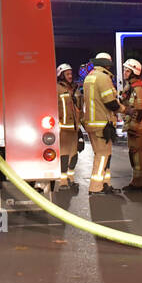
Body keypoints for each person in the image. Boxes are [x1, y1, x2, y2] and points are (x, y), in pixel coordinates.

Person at [82, 52, 121, 194]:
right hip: (102, 124)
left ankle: (106, 183)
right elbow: (110, 102)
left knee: (105, 153)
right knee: (103, 155)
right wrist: (124, 109)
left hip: (92, 123)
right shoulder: (103, 78)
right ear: (107, 64)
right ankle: (96, 187)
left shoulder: (89, 77)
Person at [121, 58, 142, 190]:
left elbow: (139, 110)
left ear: (134, 72)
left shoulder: (137, 88)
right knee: (134, 154)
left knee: (137, 156)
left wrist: (133, 126)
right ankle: (137, 181)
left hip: (136, 128)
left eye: (127, 71)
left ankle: (139, 183)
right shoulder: (131, 87)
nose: (125, 73)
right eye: (125, 70)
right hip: (133, 127)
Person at [55, 63, 83, 192]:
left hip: (75, 129)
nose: (70, 76)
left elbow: (80, 110)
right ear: (61, 76)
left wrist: (81, 127)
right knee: (64, 155)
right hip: (63, 128)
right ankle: (63, 181)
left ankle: (71, 179)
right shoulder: (57, 89)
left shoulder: (76, 91)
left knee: (74, 154)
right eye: (67, 74)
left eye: (71, 73)